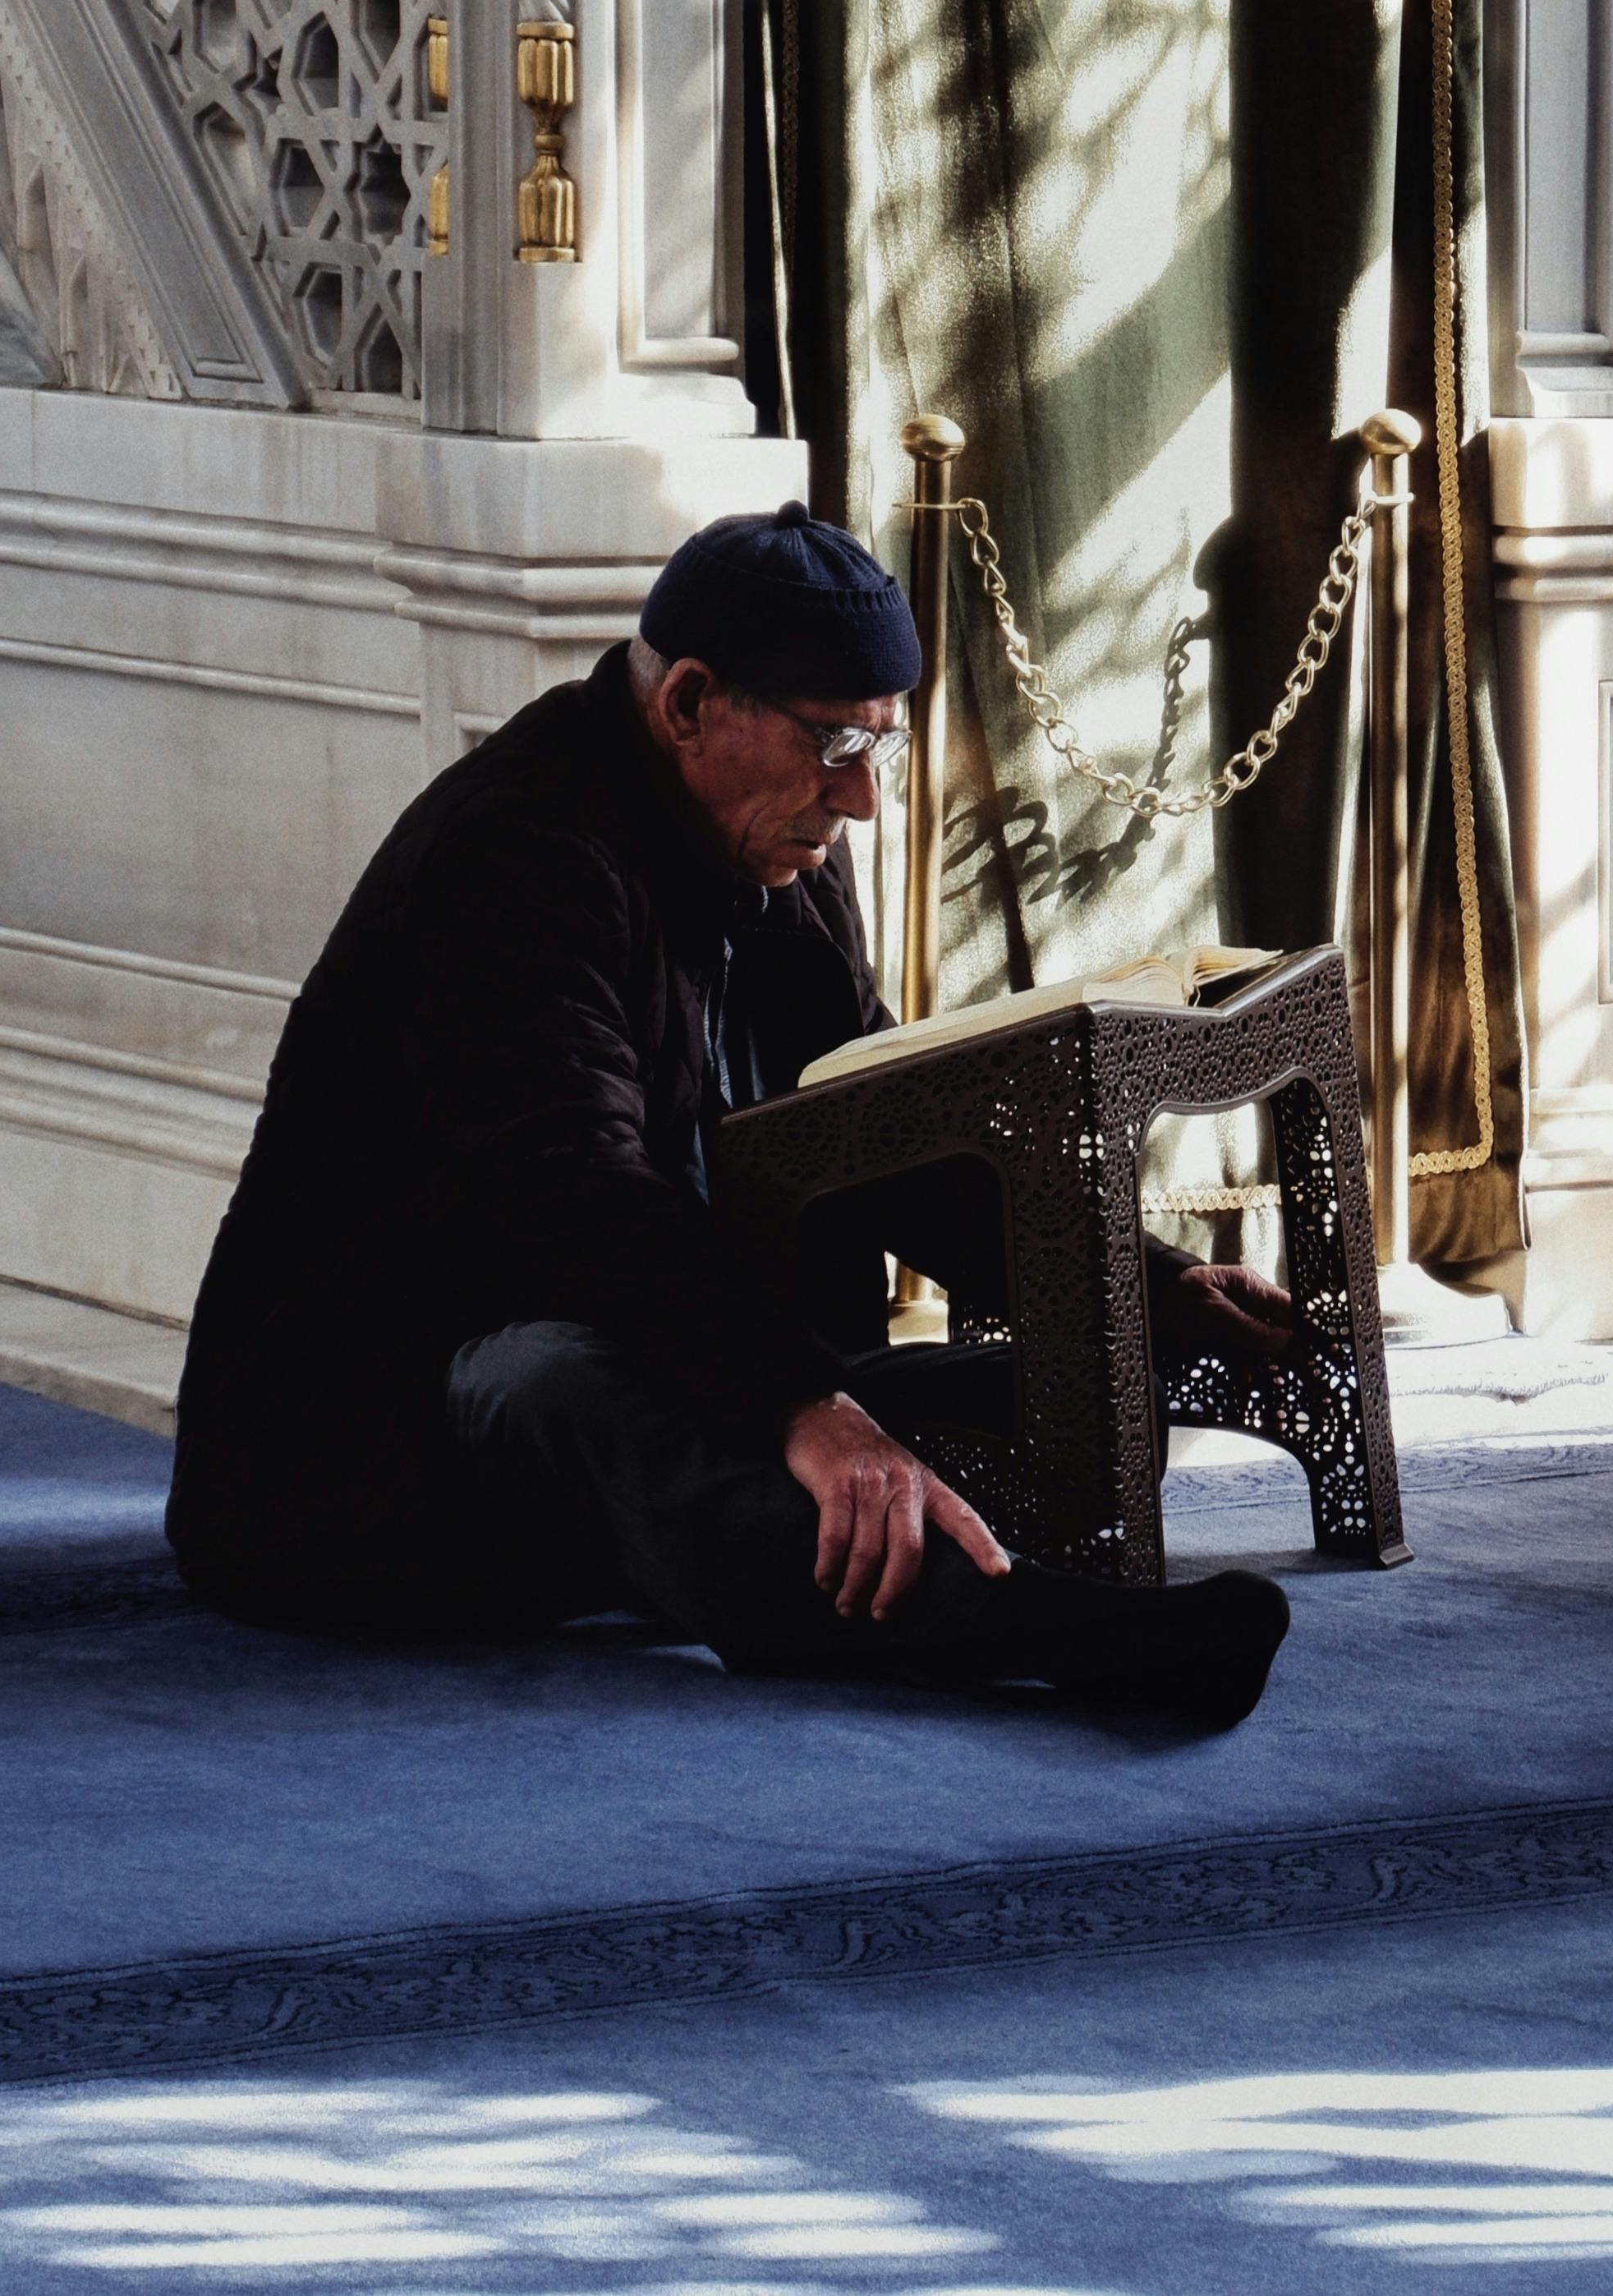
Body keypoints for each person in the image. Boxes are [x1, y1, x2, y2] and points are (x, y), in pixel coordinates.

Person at [168, 501, 1296, 1725]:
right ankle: (1024, 1633)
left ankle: (805, 1528)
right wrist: (798, 1406)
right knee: (567, 1377)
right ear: (691, 701)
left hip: (653, 1354)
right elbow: (576, 1206)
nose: (861, 800)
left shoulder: (781, 839)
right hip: (372, 1445)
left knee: (1080, 1365)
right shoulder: (512, 854)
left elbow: (873, 1137)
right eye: (830, 745)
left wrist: (1141, 1277)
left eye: (879, 748)